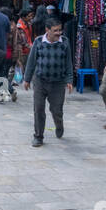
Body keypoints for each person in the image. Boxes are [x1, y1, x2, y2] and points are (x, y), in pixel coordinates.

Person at [22, 17, 73, 147]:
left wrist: (69, 80)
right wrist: (27, 79)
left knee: (56, 110)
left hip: (58, 83)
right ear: (47, 30)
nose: (59, 33)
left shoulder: (65, 42)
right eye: (55, 30)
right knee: (38, 109)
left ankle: (59, 124)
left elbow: (68, 63)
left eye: (60, 30)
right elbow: (31, 61)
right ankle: (38, 136)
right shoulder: (38, 42)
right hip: (40, 81)